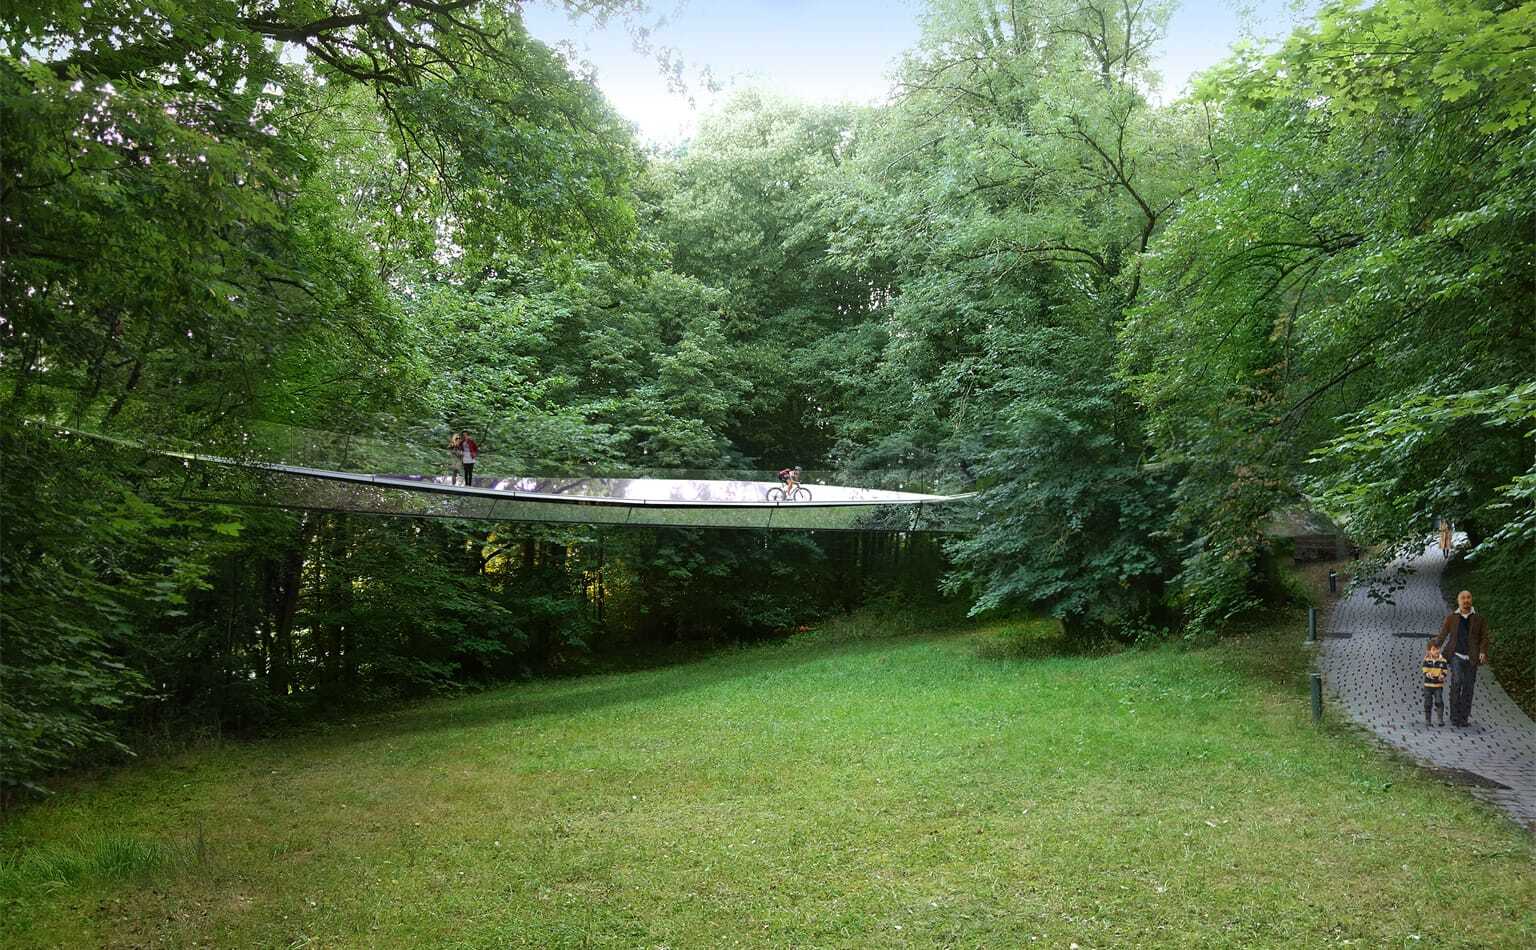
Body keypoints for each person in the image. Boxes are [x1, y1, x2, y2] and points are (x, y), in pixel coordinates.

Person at [1435, 590, 1490, 727]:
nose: (1466, 600)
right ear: (1458, 601)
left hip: (1472, 657)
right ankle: (1454, 716)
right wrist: (1434, 649)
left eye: (1468, 597)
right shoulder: (1451, 618)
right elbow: (1442, 635)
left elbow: (1484, 637)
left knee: (1468, 687)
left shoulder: (1479, 619)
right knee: (1457, 681)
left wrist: (1482, 651)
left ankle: (1463, 718)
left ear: (1471, 599)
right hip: (1456, 655)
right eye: (1463, 598)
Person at [1421, 640, 1448, 727]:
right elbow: (1424, 670)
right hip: (1428, 685)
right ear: (1429, 651)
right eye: (1434, 649)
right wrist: (1427, 674)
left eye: (1438, 649)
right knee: (1428, 703)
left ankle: (1440, 719)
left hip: (1438, 685)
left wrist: (1442, 675)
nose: (1436, 651)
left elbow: (1445, 671)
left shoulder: (1443, 660)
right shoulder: (1427, 660)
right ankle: (1428, 719)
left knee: (1439, 701)